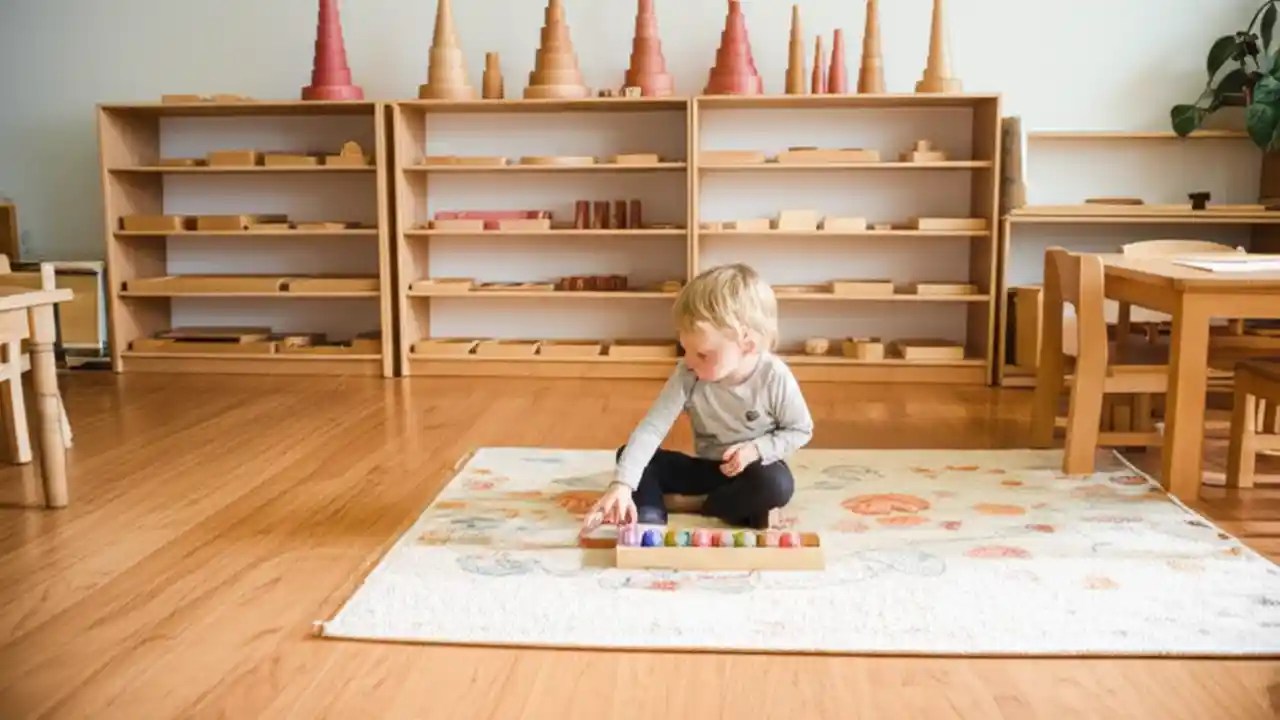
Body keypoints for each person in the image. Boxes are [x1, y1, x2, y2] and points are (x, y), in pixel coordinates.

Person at [583, 263, 814, 533]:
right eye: (685, 349)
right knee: (631, 456)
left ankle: (698, 505)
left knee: (777, 484)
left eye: (702, 354)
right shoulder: (687, 373)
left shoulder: (774, 376)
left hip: (750, 471)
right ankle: (649, 516)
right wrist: (621, 485)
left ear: (747, 345)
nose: (688, 361)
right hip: (706, 469)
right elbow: (652, 428)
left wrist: (756, 450)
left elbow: (800, 430)